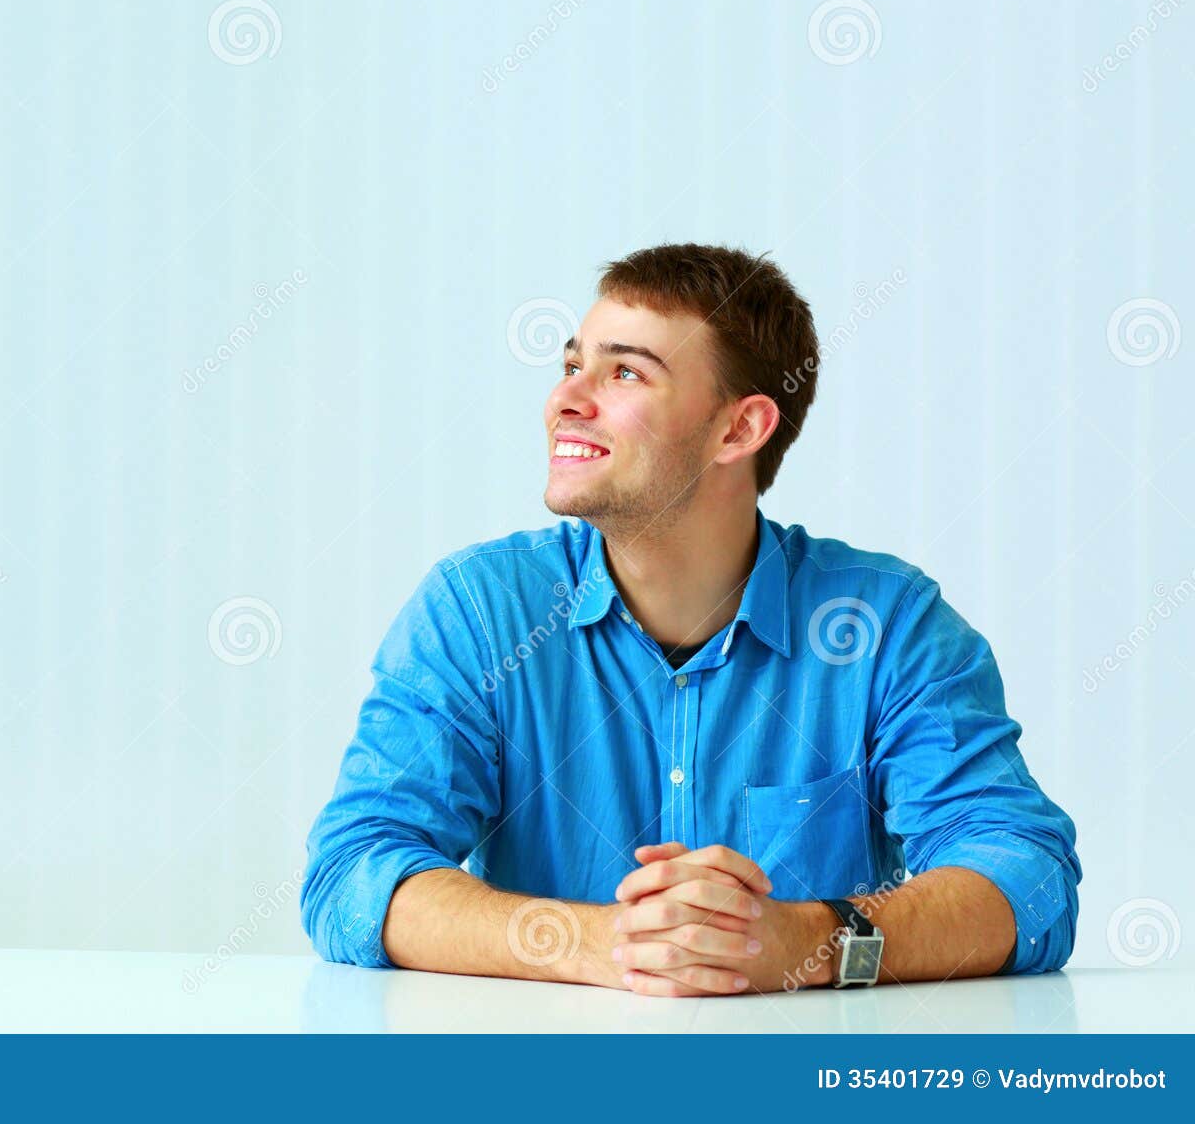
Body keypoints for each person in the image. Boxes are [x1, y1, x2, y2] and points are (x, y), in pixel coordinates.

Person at [301, 244, 1080, 995]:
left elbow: (1026, 874)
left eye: (626, 372)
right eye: (573, 366)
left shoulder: (886, 624)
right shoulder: (478, 610)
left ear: (739, 430)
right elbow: (353, 873)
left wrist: (807, 943)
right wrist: (605, 944)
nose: (566, 399)